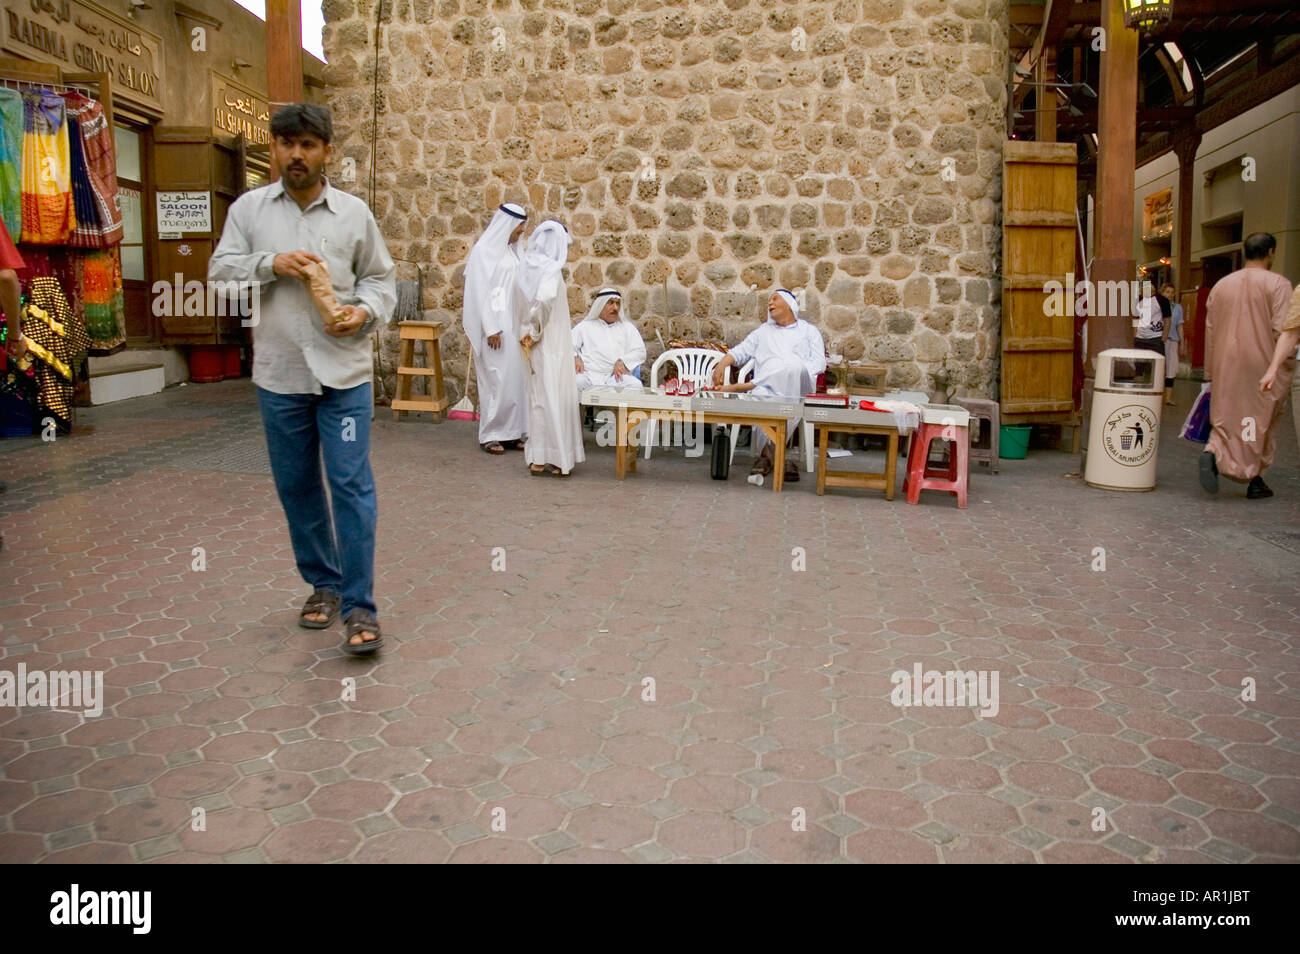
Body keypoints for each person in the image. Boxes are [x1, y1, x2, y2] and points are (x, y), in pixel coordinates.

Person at [209, 103, 396, 654]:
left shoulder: (353, 214)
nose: (296, 154)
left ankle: (360, 604)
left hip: (344, 377)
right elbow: (220, 276)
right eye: (286, 143)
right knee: (297, 487)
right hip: (280, 376)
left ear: (326, 152)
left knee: (350, 484)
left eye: (308, 144)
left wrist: (363, 311)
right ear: (274, 148)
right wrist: (270, 264)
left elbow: (380, 281)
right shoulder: (248, 212)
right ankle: (324, 585)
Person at [1199, 232, 1293, 499]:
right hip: (1263, 363)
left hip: (1224, 362)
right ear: (1271, 252)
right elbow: (1282, 330)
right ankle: (1254, 475)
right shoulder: (1278, 284)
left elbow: (1210, 331)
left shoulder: (1222, 286)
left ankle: (1213, 451)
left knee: (1226, 415)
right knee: (1257, 420)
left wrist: (1208, 371)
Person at [711, 289, 826, 483]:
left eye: (775, 299)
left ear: (789, 304)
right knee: (762, 395)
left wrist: (788, 369)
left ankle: (743, 387)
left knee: (792, 367)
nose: (769, 303)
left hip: (798, 386)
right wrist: (722, 363)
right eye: (769, 300)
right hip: (767, 388)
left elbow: (819, 363)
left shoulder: (809, 331)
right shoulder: (763, 331)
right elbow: (740, 351)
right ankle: (775, 455)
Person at [515, 219, 584, 476]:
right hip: (548, 341)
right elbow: (544, 301)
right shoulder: (551, 270)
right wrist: (534, 331)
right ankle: (555, 458)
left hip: (533, 339)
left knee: (538, 398)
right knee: (552, 396)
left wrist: (526, 330)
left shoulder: (527, 266)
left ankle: (541, 456)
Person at [463, 203, 529, 455]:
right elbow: (479, 291)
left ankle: (512, 433)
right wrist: (490, 327)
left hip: (514, 327)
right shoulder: (483, 252)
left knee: (515, 381)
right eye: (519, 226)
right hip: (496, 329)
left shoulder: (514, 252)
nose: (522, 231)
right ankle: (491, 433)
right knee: (496, 380)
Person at [572, 287, 645, 391]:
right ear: (600, 305)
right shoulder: (584, 327)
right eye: (610, 303)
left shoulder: (627, 328)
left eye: (617, 303)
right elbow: (567, 345)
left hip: (615, 377)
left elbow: (640, 351)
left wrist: (623, 362)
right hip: (589, 376)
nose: (615, 307)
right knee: (575, 382)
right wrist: (575, 357)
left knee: (635, 385)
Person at [1161, 282, 1183, 406]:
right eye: (1167, 292)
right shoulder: (1158, 306)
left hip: (1173, 340)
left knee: (1171, 369)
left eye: (1171, 292)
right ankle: (1158, 395)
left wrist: (1182, 341)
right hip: (1160, 340)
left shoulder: (1178, 308)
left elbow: (1180, 326)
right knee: (1160, 368)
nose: (1169, 295)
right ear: (1162, 293)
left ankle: (1168, 398)